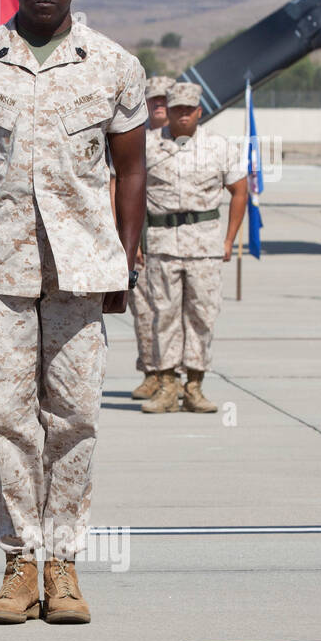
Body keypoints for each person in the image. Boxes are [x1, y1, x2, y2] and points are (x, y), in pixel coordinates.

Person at [0, 0, 147, 626]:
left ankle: (64, 564)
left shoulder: (114, 65)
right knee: (10, 418)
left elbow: (132, 168)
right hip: (1, 264)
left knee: (76, 416)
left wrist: (126, 255)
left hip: (83, 267)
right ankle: (19, 564)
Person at [140, 82, 248, 413]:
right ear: (168, 112)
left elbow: (240, 192)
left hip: (205, 245)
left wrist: (229, 240)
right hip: (162, 244)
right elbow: (125, 187)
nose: (183, 115)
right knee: (164, 316)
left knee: (203, 315)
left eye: (189, 110)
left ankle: (195, 386)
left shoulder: (219, 147)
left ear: (199, 112)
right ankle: (167, 386)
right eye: (177, 110)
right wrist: (131, 242)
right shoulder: (148, 147)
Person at [130, 74, 175, 401]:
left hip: (174, 242)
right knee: (144, 309)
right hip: (141, 240)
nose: (159, 105)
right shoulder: (134, 141)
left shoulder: (183, 143)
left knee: (172, 311)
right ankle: (150, 370)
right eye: (154, 100)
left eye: (164, 100)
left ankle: (171, 373)